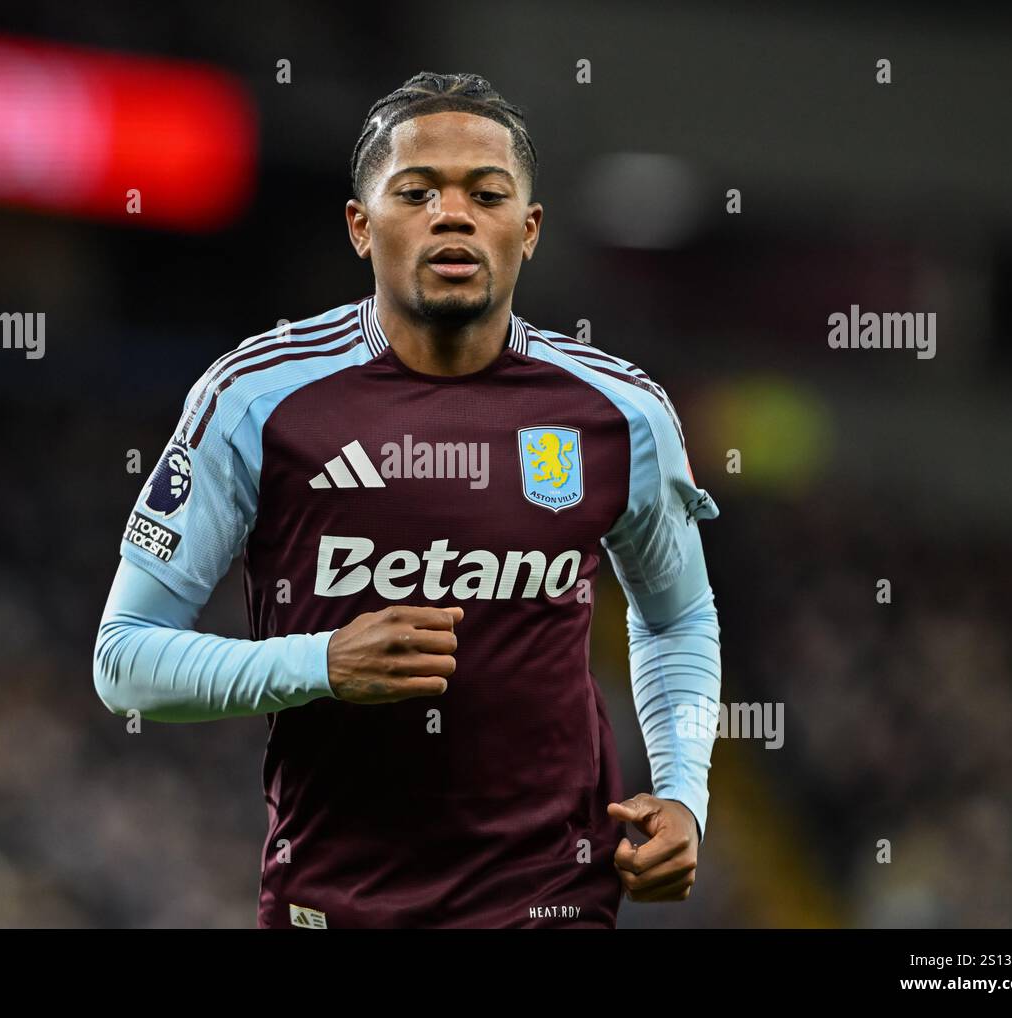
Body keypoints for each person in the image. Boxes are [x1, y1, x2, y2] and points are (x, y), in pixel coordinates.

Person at [94, 71, 722, 929]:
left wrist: (685, 793)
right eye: (416, 191)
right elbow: (125, 662)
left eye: (487, 194)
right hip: (333, 902)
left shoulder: (622, 414)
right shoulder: (256, 396)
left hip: (550, 899)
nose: (452, 214)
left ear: (528, 231)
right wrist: (322, 665)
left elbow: (677, 618)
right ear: (362, 225)